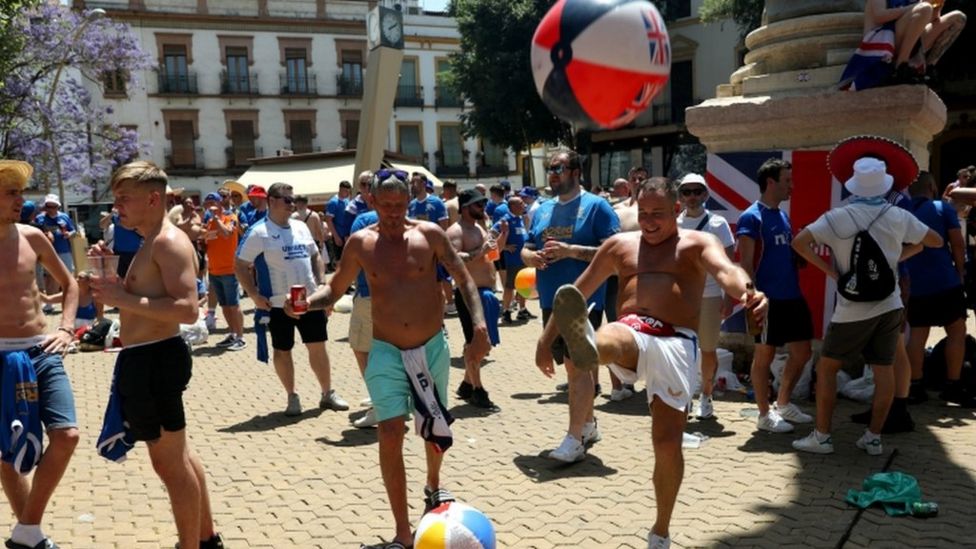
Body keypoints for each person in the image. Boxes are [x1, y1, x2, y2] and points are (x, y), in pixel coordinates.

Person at [537, 176, 767, 549]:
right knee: (614, 334)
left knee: (666, 442)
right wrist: (545, 340)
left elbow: (728, 272)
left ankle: (660, 530)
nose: (649, 222)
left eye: (658, 213)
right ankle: (589, 348)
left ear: (677, 210)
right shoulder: (619, 246)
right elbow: (577, 291)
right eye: (643, 213)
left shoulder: (697, 242)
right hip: (634, 330)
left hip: (677, 340)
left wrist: (751, 294)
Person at [296, 173, 490, 549]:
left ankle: (433, 484)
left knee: (435, 428)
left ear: (409, 204)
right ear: (372, 203)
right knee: (390, 432)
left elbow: (464, 278)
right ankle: (402, 532)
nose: (392, 214)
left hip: (431, 346)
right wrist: (306, 303)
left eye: (399, 206)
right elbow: (334, 289)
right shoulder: (360, 243)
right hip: (384, 350)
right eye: (385, 206)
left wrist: (479, 323)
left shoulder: (429, 234)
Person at [89, 161, 222, 549]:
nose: (118, 207)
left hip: (155, 360)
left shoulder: (167, 241)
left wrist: (121, 297)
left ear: (152, 198)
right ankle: (205, 539)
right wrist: (116, 286)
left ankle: (190, 545)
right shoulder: (152, 240)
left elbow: (187, 309)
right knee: (179, 456)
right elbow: (150, 299)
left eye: (124, 198)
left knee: (169, 463)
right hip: (148, 358)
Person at [791, 156, 939, 456]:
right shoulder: (898, 215)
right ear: (883, 185)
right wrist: (896, 256)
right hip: (890, 303)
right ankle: (873, 438)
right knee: (884, 369)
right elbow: (932, 241)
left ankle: (822, 436)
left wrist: (831, 272)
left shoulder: (838, 216)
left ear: (855, 184)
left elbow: (799, 242)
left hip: (851, 307)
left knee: (828, 368)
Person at [0, 160, 81, 549]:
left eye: (20, 193)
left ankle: (25, 530)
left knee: (66, 436)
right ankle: (29, 536)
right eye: (11, 193)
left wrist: (66, 328)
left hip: (39, 349)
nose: (20, 200)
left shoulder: (33, 236)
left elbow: (70, 284)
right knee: (7, 451)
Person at [523, 150, 620, 462]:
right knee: (572, 365)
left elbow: (614, 254)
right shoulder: (542, 210)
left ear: (576, 171)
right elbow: (526, 248)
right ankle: (589, 424)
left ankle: (574, 438)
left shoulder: (597, 207)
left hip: (584, 300)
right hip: (551, 299)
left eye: (558, 168)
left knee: (577, 365)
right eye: (549, 168)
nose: (552, 174)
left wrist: (571, 251)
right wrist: (532, 258)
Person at [235, 183, 349, 416]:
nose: (292, 204)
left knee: (317, 347)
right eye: (287, 200)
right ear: (272, 201)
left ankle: (327, 394)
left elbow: (315, 255)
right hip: (278, 305)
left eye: (293, 199)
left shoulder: (300, 226)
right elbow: (239, 264)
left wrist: (321, 287)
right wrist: (255, 295)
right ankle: (292, 396)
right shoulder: (259, 232)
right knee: (282, 349)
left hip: (309, 301)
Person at [736, 158, 814, 433]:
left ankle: (783, 404)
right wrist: (753, 297)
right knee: (764, 357)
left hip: (792, 296)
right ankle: (763, 414)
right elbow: (745, 263)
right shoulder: (751, 217)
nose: (791, 186)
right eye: (787, 181)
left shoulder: (782, 215)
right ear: (770, 183)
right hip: (767, 300)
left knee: (803, 352)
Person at [905, 171, 973, 406]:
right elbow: (957, 243)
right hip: (945, 281)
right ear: (933, 186)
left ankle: (914, 385)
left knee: (917, 333)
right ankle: (953, 385)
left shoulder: (903, 212)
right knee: (956, 331)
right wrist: (961, 272)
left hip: (915, 283)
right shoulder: (942, 209)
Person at [676, 173, 734, 420]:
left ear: (705, 194)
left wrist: (729, 297)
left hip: (710, 294)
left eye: (696, 191)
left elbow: (728, 264)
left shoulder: (718, 224)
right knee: (681, 350)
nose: (692, 196)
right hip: (681, 295)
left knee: (707, 349)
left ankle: (706, 396)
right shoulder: (674, 223)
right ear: (680, 196)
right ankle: (684, 396)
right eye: (686, 191)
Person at [447, 190, 504, 410]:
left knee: (481, 344)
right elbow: (454, 260)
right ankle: (478, 391)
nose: (482, 208)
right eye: (478, 205)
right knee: (477, 343)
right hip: (469, 296)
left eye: (483, 204)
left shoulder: (479, 227)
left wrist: (500, 240)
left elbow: (490, 256)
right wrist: (482, 250)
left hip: (486, 294)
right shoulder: (456, 231)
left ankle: (466, 384)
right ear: (465, 207)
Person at [840, 0, 966, 89]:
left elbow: (927, 19)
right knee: (924, 8)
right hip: (883, 42)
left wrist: (937, 8)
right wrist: (918, 7)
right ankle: (901, 67)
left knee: (958, 18)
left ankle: (929, 67)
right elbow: (879, 16)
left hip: (909, 41)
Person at [203, 189, 246, 351]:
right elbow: (210, 240)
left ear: (219, 203)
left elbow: (227, 233)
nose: (210, 207)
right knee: (225, 306)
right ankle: (233, 333)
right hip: (214, 270)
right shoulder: (208, 222)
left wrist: (215, 218)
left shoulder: (231, 217)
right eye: (208, 204)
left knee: (234, 305)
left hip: (229, 269)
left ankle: (241, 337)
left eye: (212, 203)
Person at [494, 195, 532, 324]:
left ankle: (522, 310)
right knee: (510, 287)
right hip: (513, 261)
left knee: (524, 286)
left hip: (523, 260)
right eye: (521, 203)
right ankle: (506, 312)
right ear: (513, 206)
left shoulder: (520, 219)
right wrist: (504, 247)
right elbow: (491, 235)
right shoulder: (506, 220)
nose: (524, 205)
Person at [34, 194, 76, 311]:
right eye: (48, 206)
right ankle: (49, 303)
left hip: (64, 250)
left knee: (67, 276)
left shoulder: (64, 217)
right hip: (48, 252)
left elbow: (73, 230)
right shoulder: (40, 218)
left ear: (58, 206)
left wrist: (69, 234)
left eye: (53, 206)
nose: (50, 209)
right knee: (50, 277)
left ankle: (69, 300)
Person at [98, 208, 143, 278]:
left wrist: (131, 227)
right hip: (118, 252)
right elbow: (102, 225)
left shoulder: (136, 216)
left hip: (134, 252)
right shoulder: (117, 216)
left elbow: (144, 233)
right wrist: (111, 214)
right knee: (120, 277)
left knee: (134, 277)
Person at [324, 180, 353, 270]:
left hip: (347, 235)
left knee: (349, 259)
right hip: (339, 235)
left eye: (349, 191)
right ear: (340, 189)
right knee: (339, 259)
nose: (347, 193)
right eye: (346, 191)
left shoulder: (347, 201)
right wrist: (336, 236)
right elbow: (329, 220)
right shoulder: (333, 202)